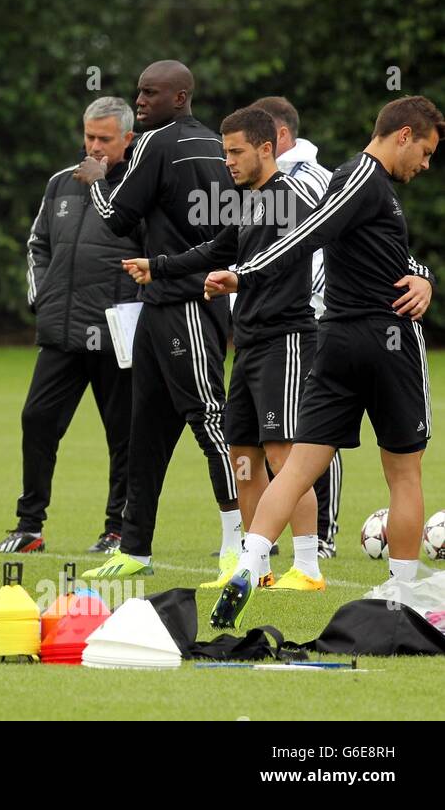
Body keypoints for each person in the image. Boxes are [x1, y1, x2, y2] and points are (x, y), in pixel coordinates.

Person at [207, 96, 441, 629]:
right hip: (385, 341)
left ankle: (249, 563)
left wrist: (425, 274)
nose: (425, 165)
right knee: (404, 472)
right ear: (402, 134)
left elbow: (389, 256)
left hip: (335, 340)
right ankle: (403, 594)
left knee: (298, 464)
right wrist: (244, 274)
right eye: (425, 152)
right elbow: (304, 237)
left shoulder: (361, 186)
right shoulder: (362, 176)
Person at [123, 106, 324, 592]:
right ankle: (255, 566)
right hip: (249, 342)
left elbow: (279, 258)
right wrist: (160, 266)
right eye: (224, 151)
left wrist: (239, 277)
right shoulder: (245, 200)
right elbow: (217, 249)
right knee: (244, 456)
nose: (227, 161)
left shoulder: (289, 199)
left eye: (235, 151)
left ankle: (309, 568)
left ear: (265, 148)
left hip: (286, 341)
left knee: (283, 454)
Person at [76, 60, 241, 580]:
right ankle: (136, 548)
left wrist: (96, 178)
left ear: (180, 96)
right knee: (145, 426)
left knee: (210, 419)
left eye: (151, 93)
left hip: (184, 301)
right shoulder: (216, 144)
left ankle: (240, 546)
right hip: (173, 301)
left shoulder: (154, 143)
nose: (140, 100)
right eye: (139, 91)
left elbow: (115, 217)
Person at [0, 96, 141, 556]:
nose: (94, 146)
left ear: (127, 139)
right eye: (89, 136)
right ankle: (29, 526)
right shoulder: (61, 183)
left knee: (123, 434)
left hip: (116, 333)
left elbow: (156, 255)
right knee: (37, 420)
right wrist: (43, 295)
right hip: (61, 330)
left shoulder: (140, 187)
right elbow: (37, 242)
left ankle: (118, 529)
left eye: (105, 138)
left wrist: (134, 309)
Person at [253, 95, 342, 558]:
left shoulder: (307, 181)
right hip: (276, 322)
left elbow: (330, 240)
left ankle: (322, 533)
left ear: (281, 137)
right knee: (291, 430)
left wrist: (317, 302)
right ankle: (262, 541)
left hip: (317, 316)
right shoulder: (265, 185)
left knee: (319, 426)